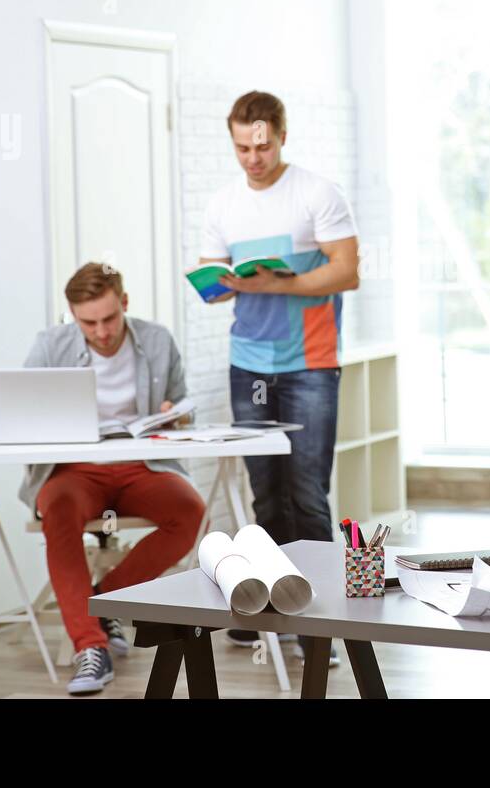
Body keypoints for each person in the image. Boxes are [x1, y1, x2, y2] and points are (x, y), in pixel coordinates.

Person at [198, 90, 359, 666]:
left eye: (262, 146)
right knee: (265, 492)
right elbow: (218, 285)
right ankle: (266, 608)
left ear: (281, 135)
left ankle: (320, 625)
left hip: (311, 363)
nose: (253, 158)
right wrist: (220, 283)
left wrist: (278, 284)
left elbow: (348, 271)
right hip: (249, 363)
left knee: (307, 492)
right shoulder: (223, 205)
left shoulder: (316, 193)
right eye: (242, 147)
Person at [19, 262, 205, 695]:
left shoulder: (157, 340)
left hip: (143, 465)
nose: (101, 332)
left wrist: (174, 415)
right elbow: (22, 412)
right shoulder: (50, 346)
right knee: (58, 511)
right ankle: (90, 645)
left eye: (109, 319)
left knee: (191, 512)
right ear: (72, 314)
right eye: (88, 322)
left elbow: (183, 405)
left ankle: (103, 600)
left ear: (124, 303)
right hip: (75, 471)